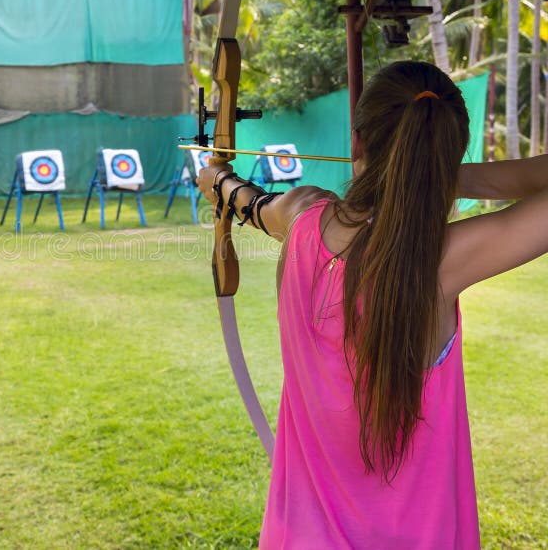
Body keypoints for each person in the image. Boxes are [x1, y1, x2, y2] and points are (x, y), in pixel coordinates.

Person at [197, 61, 548, 549]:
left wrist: (216, 179)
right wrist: (447, 173)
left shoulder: (303, 216)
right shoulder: (441, 263)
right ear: (450, 150)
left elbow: (251, 203)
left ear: (357, 142)